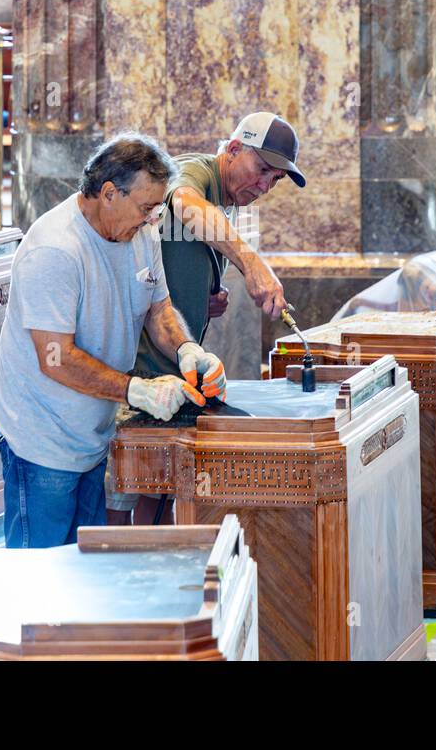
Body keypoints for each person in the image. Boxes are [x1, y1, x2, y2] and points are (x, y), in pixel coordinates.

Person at [0, 134, 228, 548]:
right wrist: (138, 391)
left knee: (84, 570)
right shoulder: (56, 250)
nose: (153, 220)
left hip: (91, 435)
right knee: (38, 573)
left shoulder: (141, 235)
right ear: (109, 193)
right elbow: (56, 359)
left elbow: (158, 310)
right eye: (147, 208)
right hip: (41, 438)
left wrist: (188, 350)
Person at [107, 112, 305, 525]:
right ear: (233, 150)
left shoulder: (226, 201)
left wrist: (200, 299)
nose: (265, 185)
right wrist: (252, 263)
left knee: (158, 498)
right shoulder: (195, 172)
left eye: (275, 180)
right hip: (137, 373)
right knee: (120, 507)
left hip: (170, 374)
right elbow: (184, 205)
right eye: (262, 170)